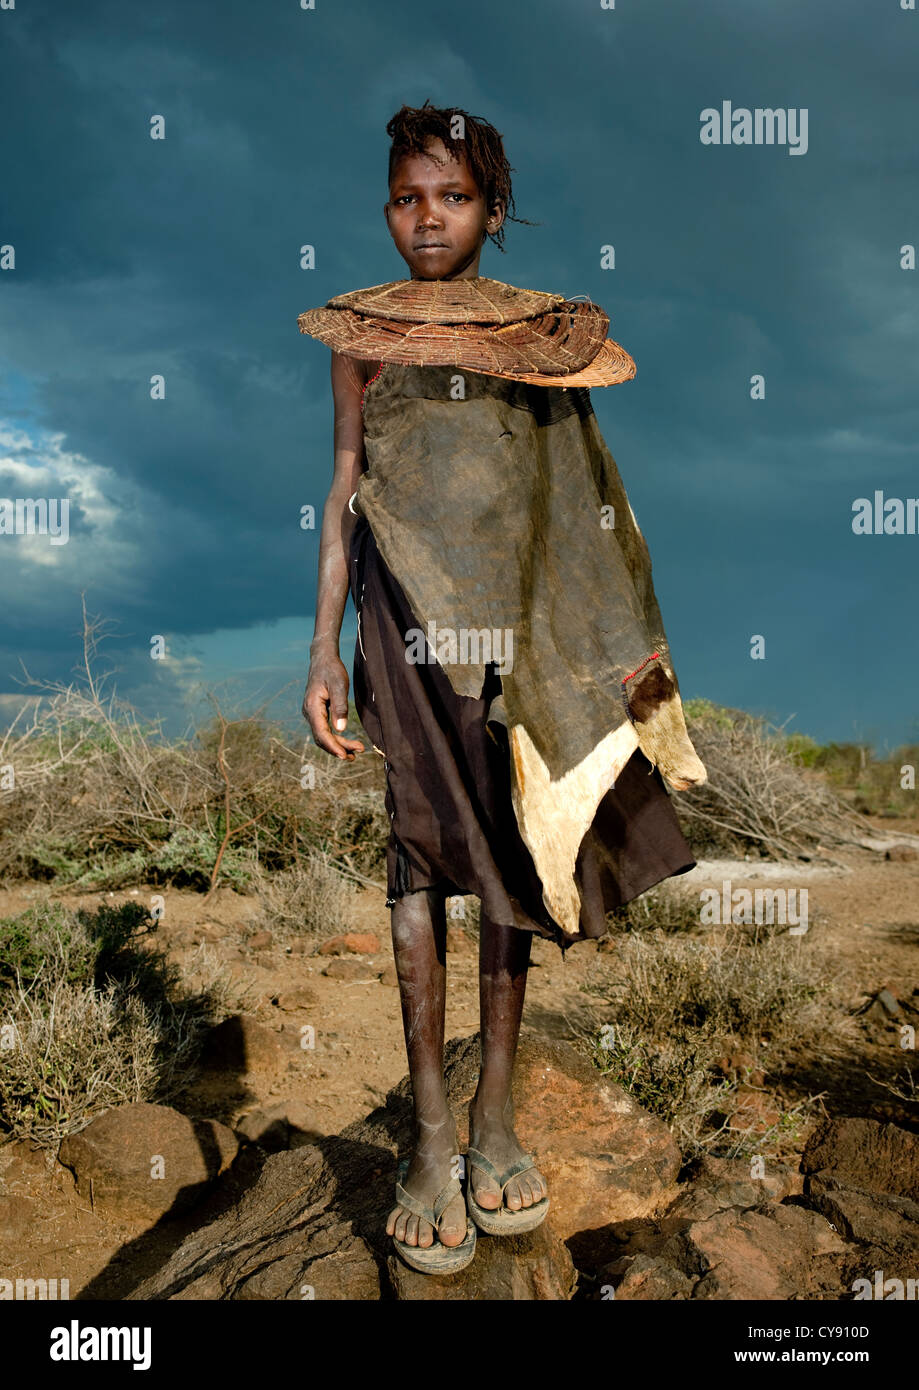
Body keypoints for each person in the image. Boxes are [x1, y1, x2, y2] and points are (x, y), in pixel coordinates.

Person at [302, 101, 704, 1273]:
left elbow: (576, 496)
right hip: (401, 626)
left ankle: (495, 1118)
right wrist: (322, 647)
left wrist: (615, 634)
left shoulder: (536, 336)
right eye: (407, 197)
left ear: (492, 206)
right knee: (420, 850)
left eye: (455, 197)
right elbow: (342, 487)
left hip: (514, 635)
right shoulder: (360, 334)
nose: (428, 218)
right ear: (386, 206)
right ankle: (429, 1138)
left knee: (510, 856)